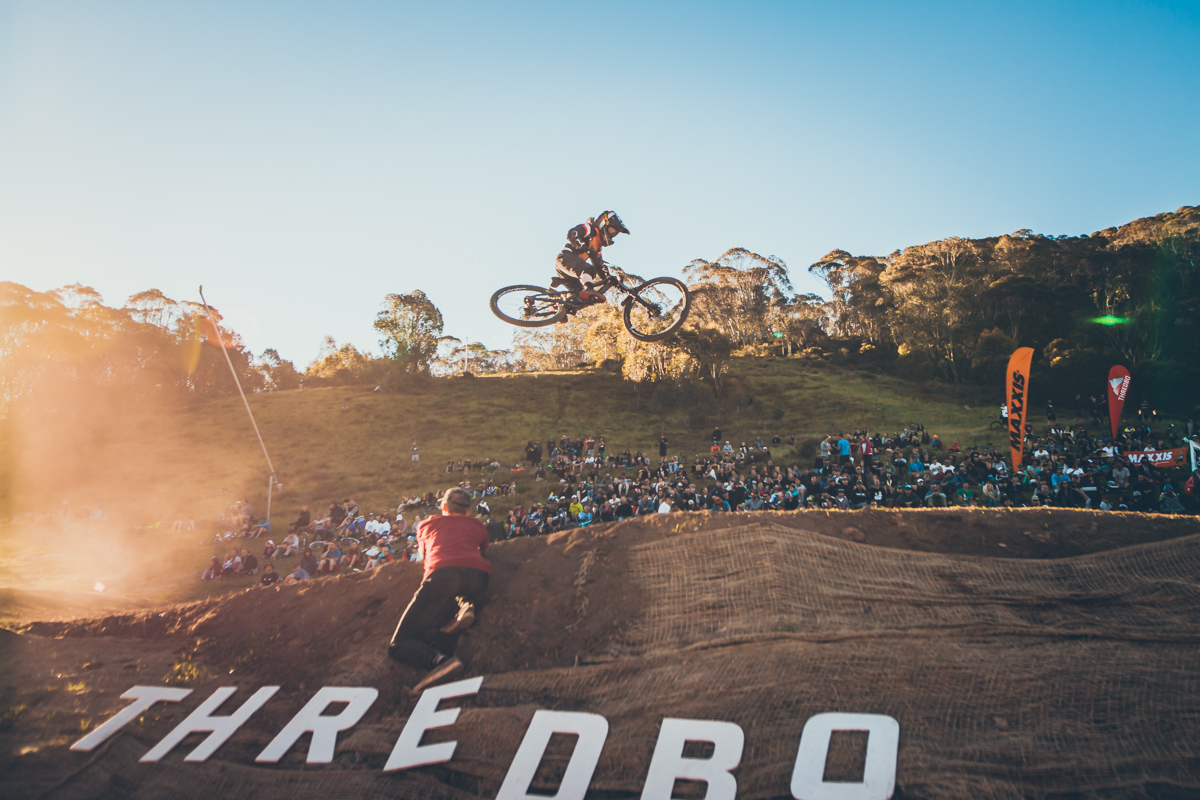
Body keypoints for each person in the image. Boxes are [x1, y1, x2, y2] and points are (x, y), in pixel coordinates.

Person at [388, 487, 492, 693]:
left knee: (398, 644)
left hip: (442, 575)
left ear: (443, 506)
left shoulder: (428, 524)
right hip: (480, 576)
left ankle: (440, 661)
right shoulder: (478, 525)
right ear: (468, 511)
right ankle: (466, 606)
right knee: (460, 585)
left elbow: (425, 555)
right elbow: (484, 551)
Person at [552, 211, 630, 301]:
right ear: (603, 224)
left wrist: (612, 279)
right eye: (611, 230)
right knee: (589, 270)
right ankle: (588, 288)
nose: (612, 235)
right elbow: (572, 233)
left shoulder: (597, 248)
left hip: (571, 270)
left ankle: (557, 304)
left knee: (579, 298)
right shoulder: (590, 229)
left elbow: (599, 267)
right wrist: (585, 248)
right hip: (565, 258)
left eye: (615, 234)